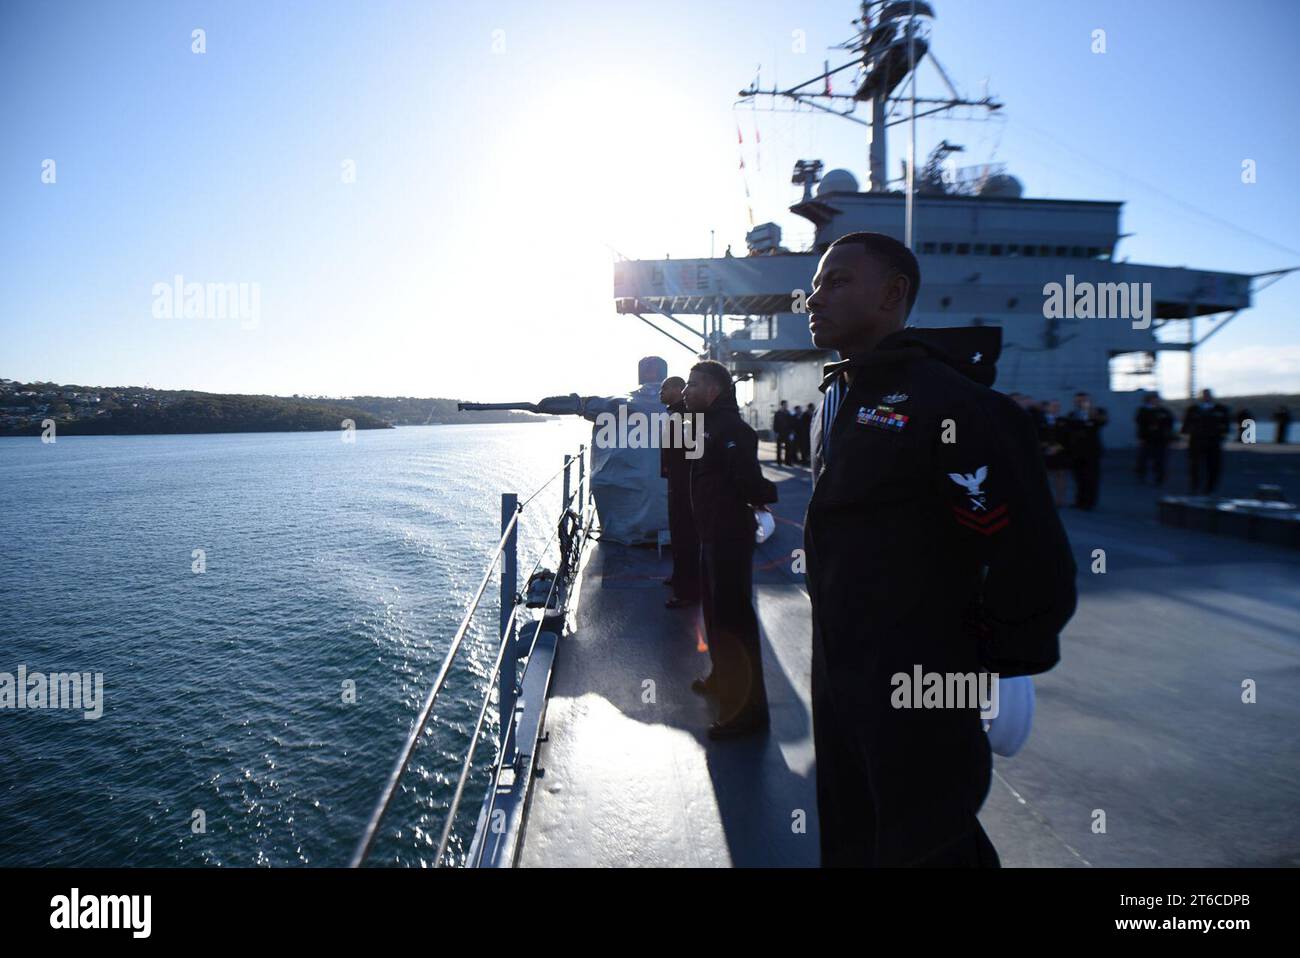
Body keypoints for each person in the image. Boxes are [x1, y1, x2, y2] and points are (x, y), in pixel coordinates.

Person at [803, 231, 1076, 868]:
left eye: (837, 281)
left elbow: (1030, 556)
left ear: (893, 295)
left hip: (921, 681)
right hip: (843, 669)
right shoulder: (844, 395)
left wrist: (1002, 663)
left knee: (926, 842)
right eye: (816, 284)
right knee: (856, 830)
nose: (814, 298)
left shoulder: (952, 404)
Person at [684, 360, 779, 740]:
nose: (687, 391)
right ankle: (721, 677)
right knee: (715, 614)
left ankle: (748, 713)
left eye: (693, 384)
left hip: (729, 538)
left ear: (714, 390)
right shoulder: (707, 426)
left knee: (734, 623)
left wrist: (768, 495)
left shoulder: (732, 430)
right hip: (712, 535)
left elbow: (749, 484)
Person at [659, 376, 699, 609]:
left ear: (677, 389)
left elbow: (692, 451)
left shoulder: (687, 414)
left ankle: (688, 591)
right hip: (676, 481)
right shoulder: (674, 412)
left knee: (686, 536)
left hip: (685, 484)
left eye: (665, 388)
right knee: (677, 531)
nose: (660, 392)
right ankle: (679, 577)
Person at [1182, 388, 1231, 494]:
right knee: (1195, 466)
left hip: (1213, 441)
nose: (1206, 397)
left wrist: (1222, 435)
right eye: (1204, 395)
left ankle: (1210, 487)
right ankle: (1194, 486)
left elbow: (1226, 424)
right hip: (1196, 441)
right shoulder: (1193, 409)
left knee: (1213, 466)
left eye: (1208, 395)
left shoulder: (1221, 409)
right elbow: (1186, 425)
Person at [1063, 392, 1107, 510]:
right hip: (1076, 452)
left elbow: (1102, 422)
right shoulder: (1072, 414)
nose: (1080, 403)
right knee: (1079, 478)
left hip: (1092, 452)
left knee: (1091, 478)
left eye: (1083, 400)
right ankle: (1079, 501)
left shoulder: (1097, 412)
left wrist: (1090, 412)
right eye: (1078, 401)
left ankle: (1090, 502)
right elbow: (1069, 428)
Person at [1134, 392, 1175, 486]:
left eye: (1156, 399)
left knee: (1160, 460)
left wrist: (1169, 436)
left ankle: (1159, 478)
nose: (1155, 401)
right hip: (1147, 439)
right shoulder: (1142, 411)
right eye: (1153, 399)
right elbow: (1140, 424)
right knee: (1143, 459)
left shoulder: (1163, 411)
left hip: (1160, 440)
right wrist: (1141, 437)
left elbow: (1170, 422)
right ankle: (1141, 476)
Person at [1039, 399, 1069, 506]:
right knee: (1044, 476)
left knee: (1060, 476)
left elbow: (1068, 437)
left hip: (1060, 453)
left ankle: (1060, 499)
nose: (1056, 408)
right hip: (1044, 453)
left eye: (1057, 406)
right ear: (1047, 408)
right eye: (1053, 406)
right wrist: (1045, 446)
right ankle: (1045, 499)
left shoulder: (1064, 421)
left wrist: (1058, 447)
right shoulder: (1039, 421)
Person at [773, 400, 791, 465]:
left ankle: (787, 462)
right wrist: (776, 432)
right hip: (780, 432)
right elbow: (775, 423)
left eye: (787, 405)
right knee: (779, 448)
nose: (786, 406)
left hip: (787, 433)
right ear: (782, 405)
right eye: (785, 405)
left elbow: (790, 423)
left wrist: (791, 432)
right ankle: (779, 461)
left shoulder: (788, 413)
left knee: (788, 448)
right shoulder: (778, 413)